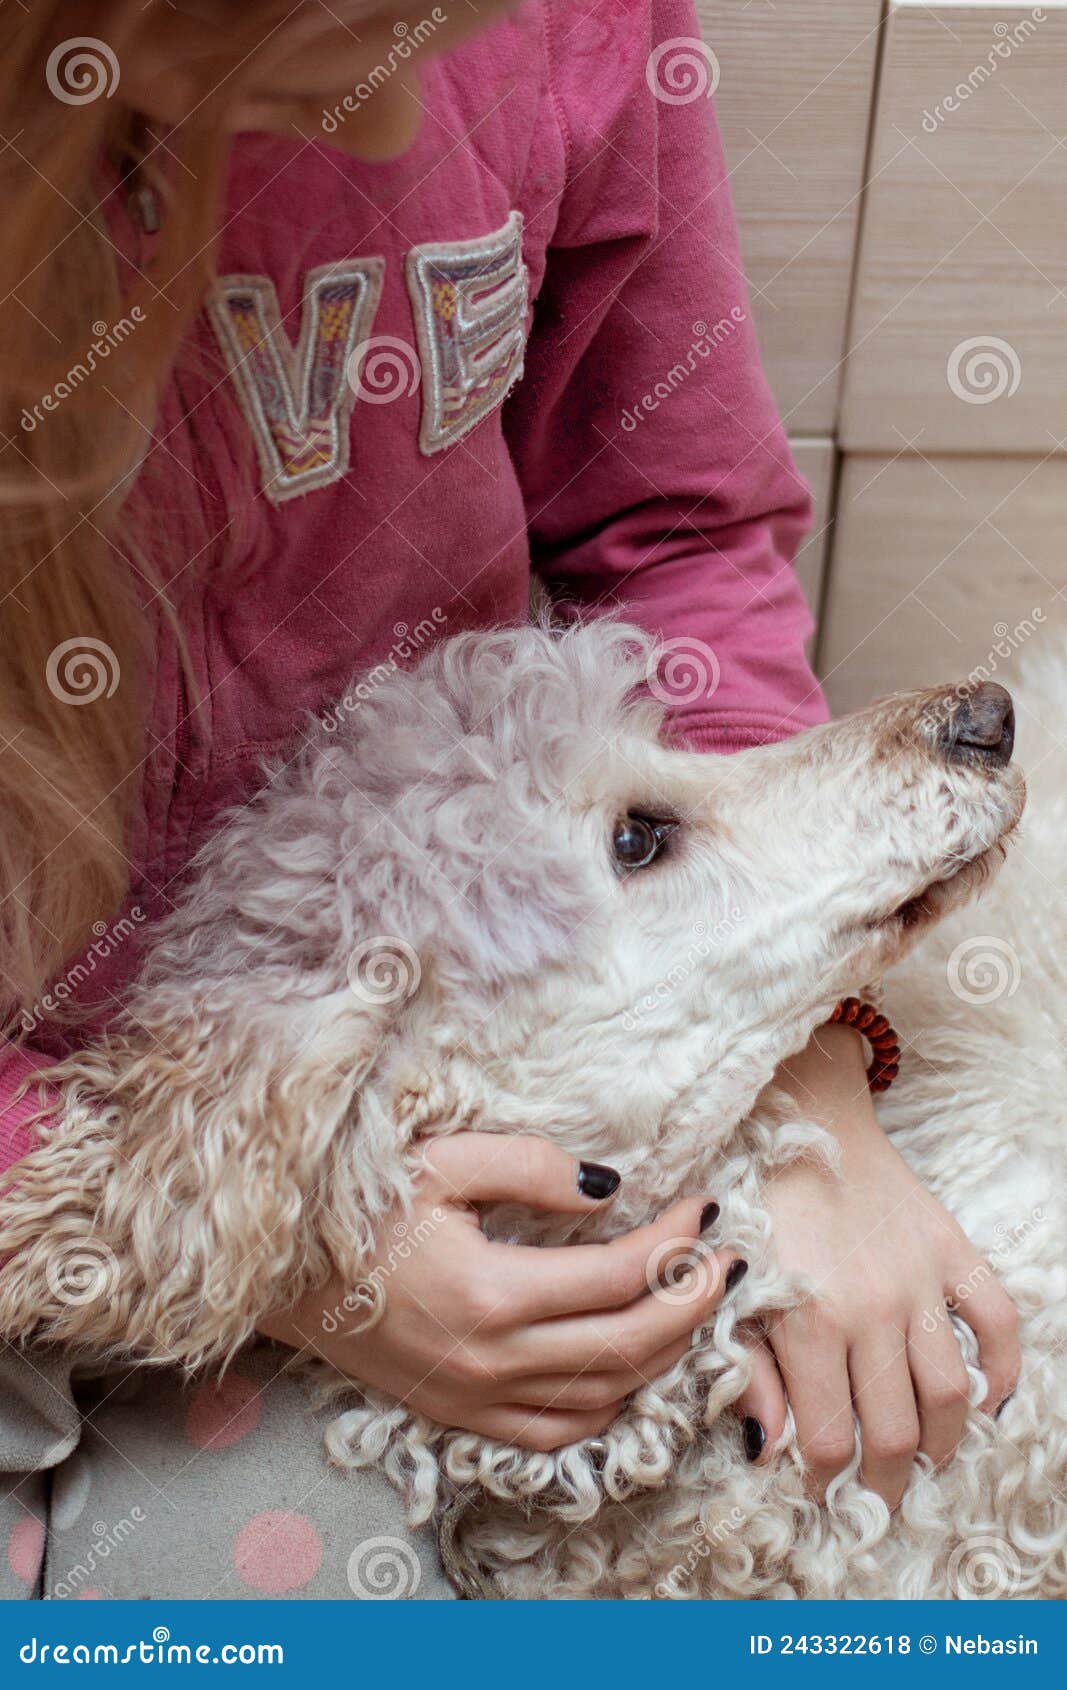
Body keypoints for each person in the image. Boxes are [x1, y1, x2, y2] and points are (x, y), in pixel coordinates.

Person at [0, 0, 1018, 1599]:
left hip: (419, 1156)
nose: (395, 125)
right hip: (121, 1180)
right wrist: (298, 1253)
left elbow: (675, 532)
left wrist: (807, 1090)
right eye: (325, 67)